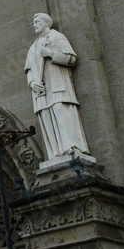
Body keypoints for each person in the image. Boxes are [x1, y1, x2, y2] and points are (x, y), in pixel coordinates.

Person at [24, 13, 90, 159]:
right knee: (46, 117)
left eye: (37, 22)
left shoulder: (57, 37)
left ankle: (72, 147)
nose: (34, 25)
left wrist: (51, 54)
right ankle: (55, 153)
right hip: (41, 92)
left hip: (57, 85)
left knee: (61, 111)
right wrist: (32, 83)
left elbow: (71, 58)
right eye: (33, 22)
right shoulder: (32, 48)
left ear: (46, 23)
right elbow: (28, 70)